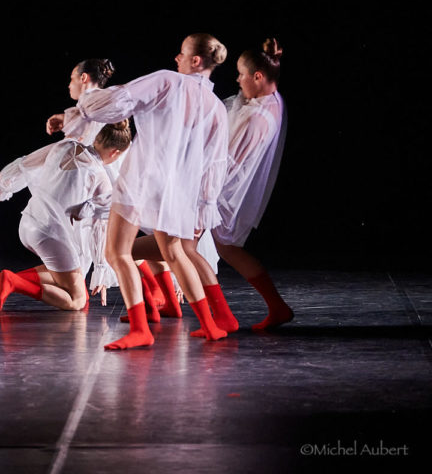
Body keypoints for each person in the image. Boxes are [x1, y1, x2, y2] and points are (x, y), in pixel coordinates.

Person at [75, 34, 230, 349]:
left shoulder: (168, 81)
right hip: (176, 191)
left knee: (116, 252)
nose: (177, 58)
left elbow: (118, 103)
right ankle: (211, 325)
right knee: (175, 253)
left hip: (141, 182)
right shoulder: (215, 106)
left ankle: (140, 329)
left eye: (182, 53)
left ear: (196, 60)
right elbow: (215, 162)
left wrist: (88, 96)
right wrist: (205, 205)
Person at [188, 39, 291, 330]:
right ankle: (277, 307)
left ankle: (218, 316)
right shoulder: (268, 98)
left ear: (258, 77)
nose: (237, 80)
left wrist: (203, 198)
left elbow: (227, 164)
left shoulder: (257, 118)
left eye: (241, 74)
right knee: (225, 249)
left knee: (184, 248)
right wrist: (273, 59)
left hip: (222, 191)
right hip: (224, 189)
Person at [0, 121, 131, 312]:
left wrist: (1, 186)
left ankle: (13, 280)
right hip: (49, 232)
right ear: (115, 153)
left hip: (27, 222)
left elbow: (27, 163)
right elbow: (98, 228)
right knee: (78, 300)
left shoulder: (65, 145)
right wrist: (100, 269)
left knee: (71, 275)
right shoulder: (101, 179)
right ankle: (14, 282)